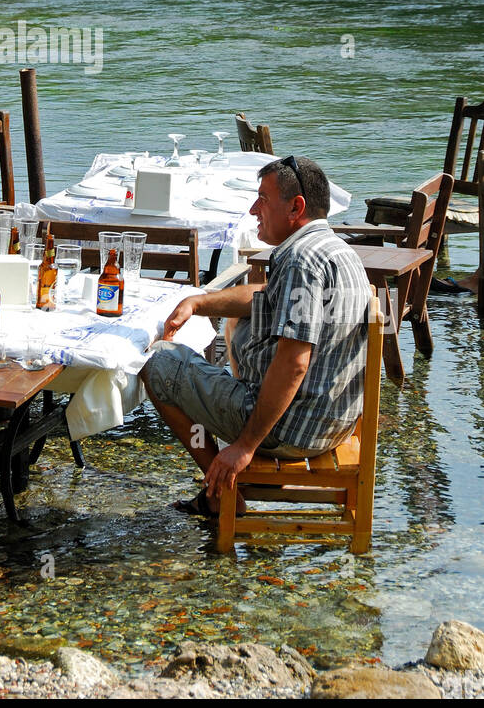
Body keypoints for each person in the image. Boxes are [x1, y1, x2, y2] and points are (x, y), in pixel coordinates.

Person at [141, 155, 370, 518]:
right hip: (334, 422)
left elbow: (295, 364)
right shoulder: (337, 251)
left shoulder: (300, 261)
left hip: (292, 431)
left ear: (296, 207)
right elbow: (264, 296)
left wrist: (244, 446)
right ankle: (226, 479)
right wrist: (199, 302)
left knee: (154, 362)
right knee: (237, 325)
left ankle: (219, 493)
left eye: (263, 198)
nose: (253, 209)